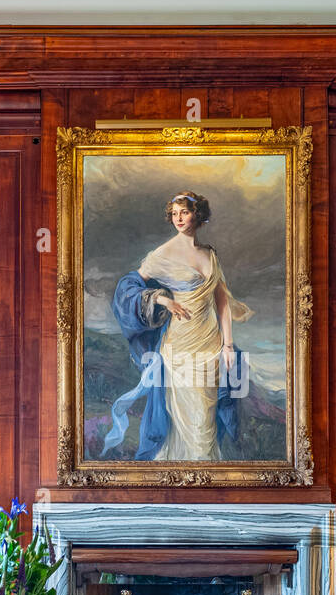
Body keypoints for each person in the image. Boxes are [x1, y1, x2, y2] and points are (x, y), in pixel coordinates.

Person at [102, 191, 252, 460]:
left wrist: (228, 345)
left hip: (211, 344)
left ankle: (205, 478)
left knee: (206, 417)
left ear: (197, 214)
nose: (179, 218)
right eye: (174, 213)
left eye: (184, 212)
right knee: (190, 417)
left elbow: (222, 302)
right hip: (180, 346)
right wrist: (161, 298)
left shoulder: (209, 254)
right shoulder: (163, 254)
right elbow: (127, 288)